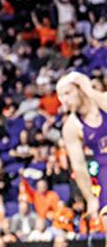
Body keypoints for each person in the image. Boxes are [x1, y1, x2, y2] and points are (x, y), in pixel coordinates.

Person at [57, 71, 107, 221]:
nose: (65, 100)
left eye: (67, 93)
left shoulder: (103, 101)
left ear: (80, 88)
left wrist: (90, 91)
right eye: (61, 96)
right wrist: (90, 198)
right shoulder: (71, 126)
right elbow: (78, 166)